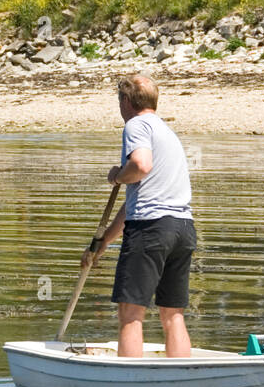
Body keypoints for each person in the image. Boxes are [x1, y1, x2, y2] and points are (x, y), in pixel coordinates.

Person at [82, 74, 196, 357]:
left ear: (126, 101)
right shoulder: (168, 133)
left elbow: (141, 166)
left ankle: (130, 385)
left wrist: (117, 177)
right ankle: (182, 379)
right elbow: (137, 203)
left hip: (151, 230)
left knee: (130, 312)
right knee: (173, 314)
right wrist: (104, 242)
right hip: (182, 228)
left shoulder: (136, 124)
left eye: (119, 99)